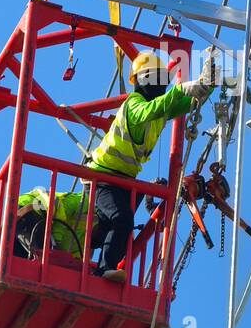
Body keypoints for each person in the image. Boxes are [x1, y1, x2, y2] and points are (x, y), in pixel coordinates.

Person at [86, 48, 217, 283]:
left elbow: (189, 103)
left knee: (114, 226)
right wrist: (180, 89)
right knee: (121, 219)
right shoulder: (134, 104)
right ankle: (103, 270)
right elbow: (152, 108)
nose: (161, 86)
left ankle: (104, 268)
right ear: (144, 80)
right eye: (158, 80)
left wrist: (208, 83)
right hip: (102, 177)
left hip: (122, 180)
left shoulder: (158, 111)